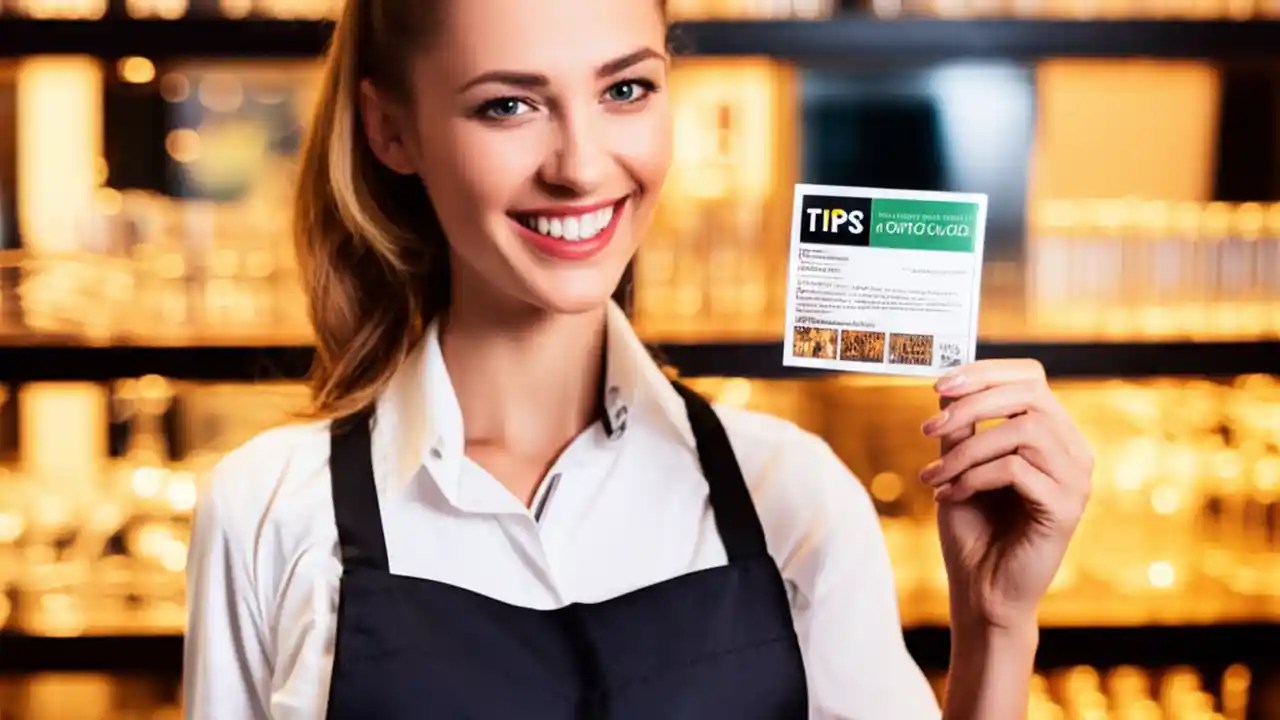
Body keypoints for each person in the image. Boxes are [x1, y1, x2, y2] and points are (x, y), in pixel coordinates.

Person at [182, 0, 1094, 717]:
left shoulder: (794, 494)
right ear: (392, 131)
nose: (581, 166)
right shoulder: (269, 511)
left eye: (626, 90)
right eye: (510, 104)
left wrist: (996, 625)